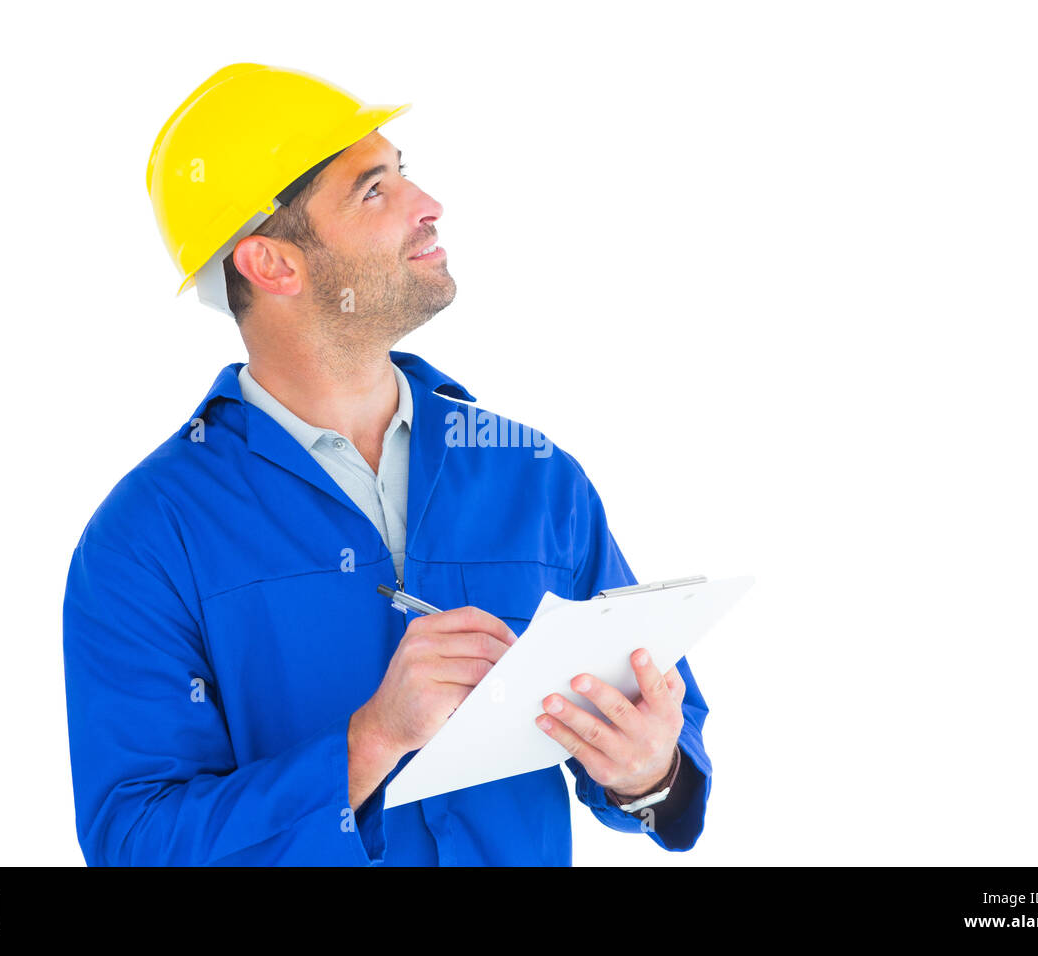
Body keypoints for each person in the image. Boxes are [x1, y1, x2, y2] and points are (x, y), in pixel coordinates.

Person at [62, 63, 714, 865]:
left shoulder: (532, 476)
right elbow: (134, 841)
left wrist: (650, 771)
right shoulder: (149, 538)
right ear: (273, 265)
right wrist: (366, 744)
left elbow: (666, 747)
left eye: (401, 172)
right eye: (373, 190)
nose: (427, 205)